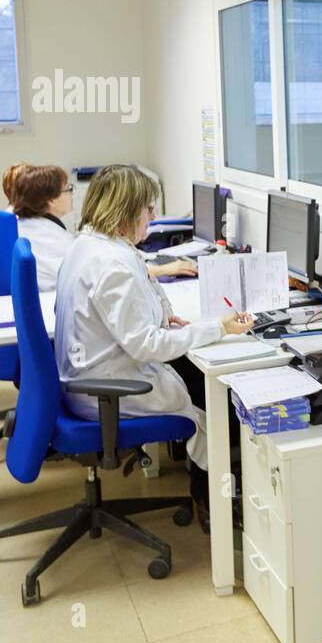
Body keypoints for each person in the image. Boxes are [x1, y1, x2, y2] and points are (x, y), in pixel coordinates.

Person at [53, 164, 252, 529]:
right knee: (219, 396)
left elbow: (136, 298)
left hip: (92, 373)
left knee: (196, 376)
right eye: (148, 209)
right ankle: (216, 502)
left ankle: (208, 494)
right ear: (126, 211)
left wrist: (163, 316)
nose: (154, 217)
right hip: (109, 388)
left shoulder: (90, 246)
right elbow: (147, 345)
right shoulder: (113, 264)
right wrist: (217, 328)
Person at [2, 163, 196, 291]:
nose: (72, 193)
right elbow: (111, 274)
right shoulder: (48, 238)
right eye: (68, 189)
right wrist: (167, 268)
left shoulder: (38, 227)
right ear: (51, 200)